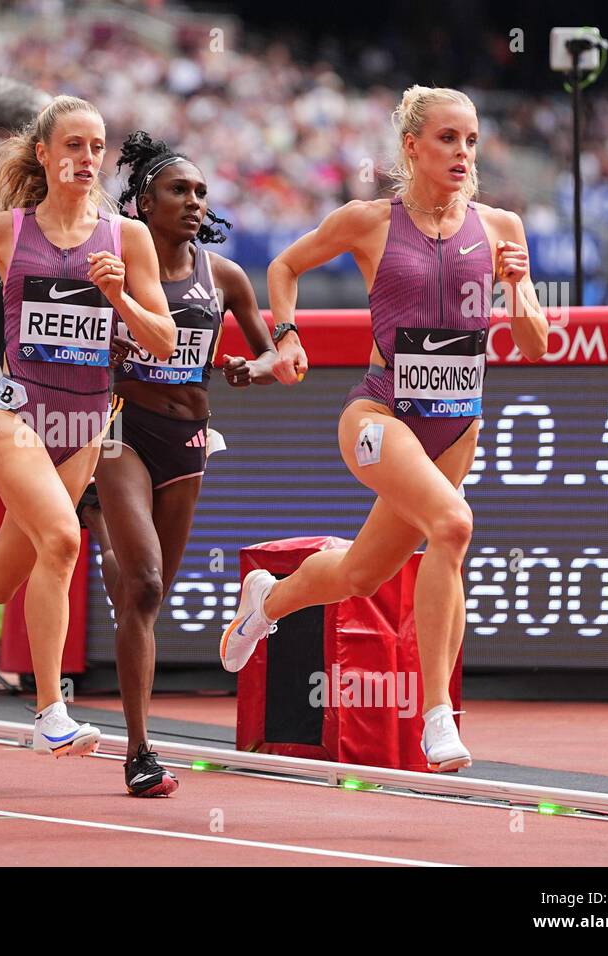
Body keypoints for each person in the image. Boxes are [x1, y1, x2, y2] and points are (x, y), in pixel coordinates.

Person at [220, 86, 548, 772]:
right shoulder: (369, 221)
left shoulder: (501, 228)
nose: (462, 153)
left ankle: (267, 601)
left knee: (363, 575)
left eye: (471, 141)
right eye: (447, 139)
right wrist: (284, 336)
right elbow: (284, 266)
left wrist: (517, 288)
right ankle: (437, 718)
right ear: (412, 146)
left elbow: (536, 343)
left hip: (457, 427)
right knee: (452, 526)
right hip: (379, 415)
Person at [0, 95, 174, 759]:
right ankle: (50, 711)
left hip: (82, 423)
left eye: (96, 147)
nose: (86, 159)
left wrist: (118, 297)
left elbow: (163, 341)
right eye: (72, 146)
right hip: (14, 414)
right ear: (44, 154)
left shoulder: (127, 238)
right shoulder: (6, 230)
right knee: (62, 539)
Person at [84, 131, 300, 796]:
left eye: (202, 192)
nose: (194, 201)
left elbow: (276, 361)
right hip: (121, 426)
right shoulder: (114, 258)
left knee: (145, 595)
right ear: (144, 202)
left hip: (187, 437)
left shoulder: (225, 277)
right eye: (180, 190)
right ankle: (140, 752)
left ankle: (106, 543)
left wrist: (249, 365)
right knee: (144, 587)